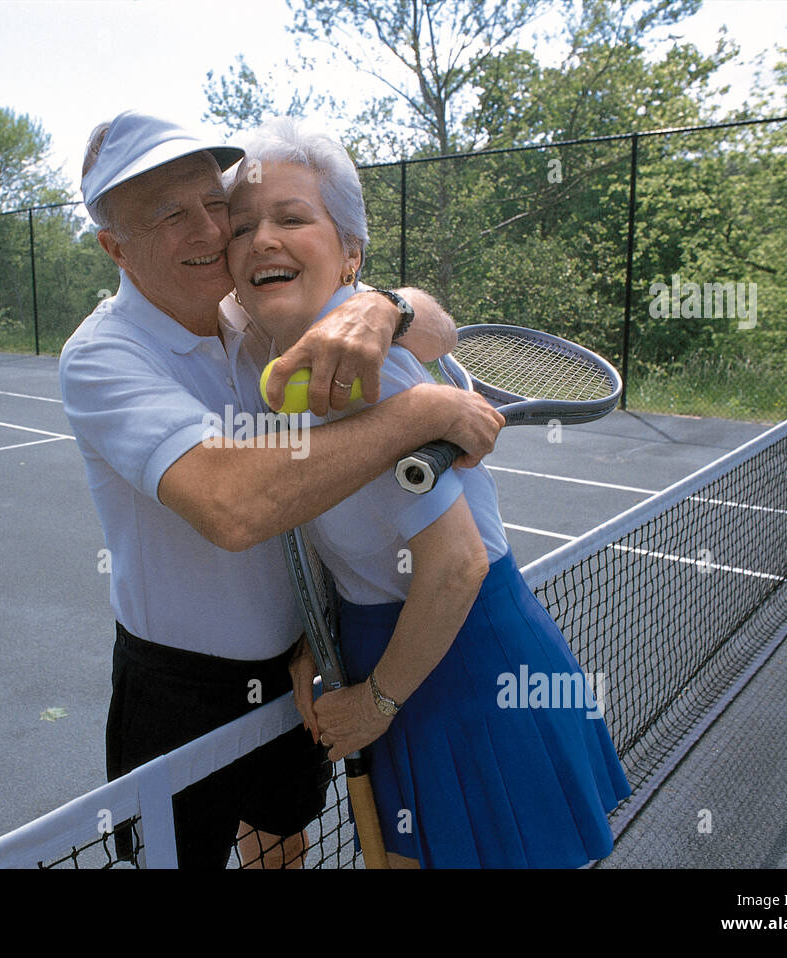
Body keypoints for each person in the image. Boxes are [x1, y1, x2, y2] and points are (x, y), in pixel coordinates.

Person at [59, 111, 504, 869]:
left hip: (296, 661)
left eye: (212, 204)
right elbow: (236, 508)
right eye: (169, 215)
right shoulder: (103, 358)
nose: (206, 231)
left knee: (283, 841)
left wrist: (381, 306)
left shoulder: (254, 317)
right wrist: (423, 410)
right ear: (115, 248)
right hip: (174, 687)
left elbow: (442, 329)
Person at [224, 116, 632, 868]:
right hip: (390, 661)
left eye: (291, 217)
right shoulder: (266, 350)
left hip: (465, 668)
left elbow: (457, 566)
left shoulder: (367, 374)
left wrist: (377, 700)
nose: (261, 240)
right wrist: (324, 651)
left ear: (350, 254)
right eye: (242, 226)